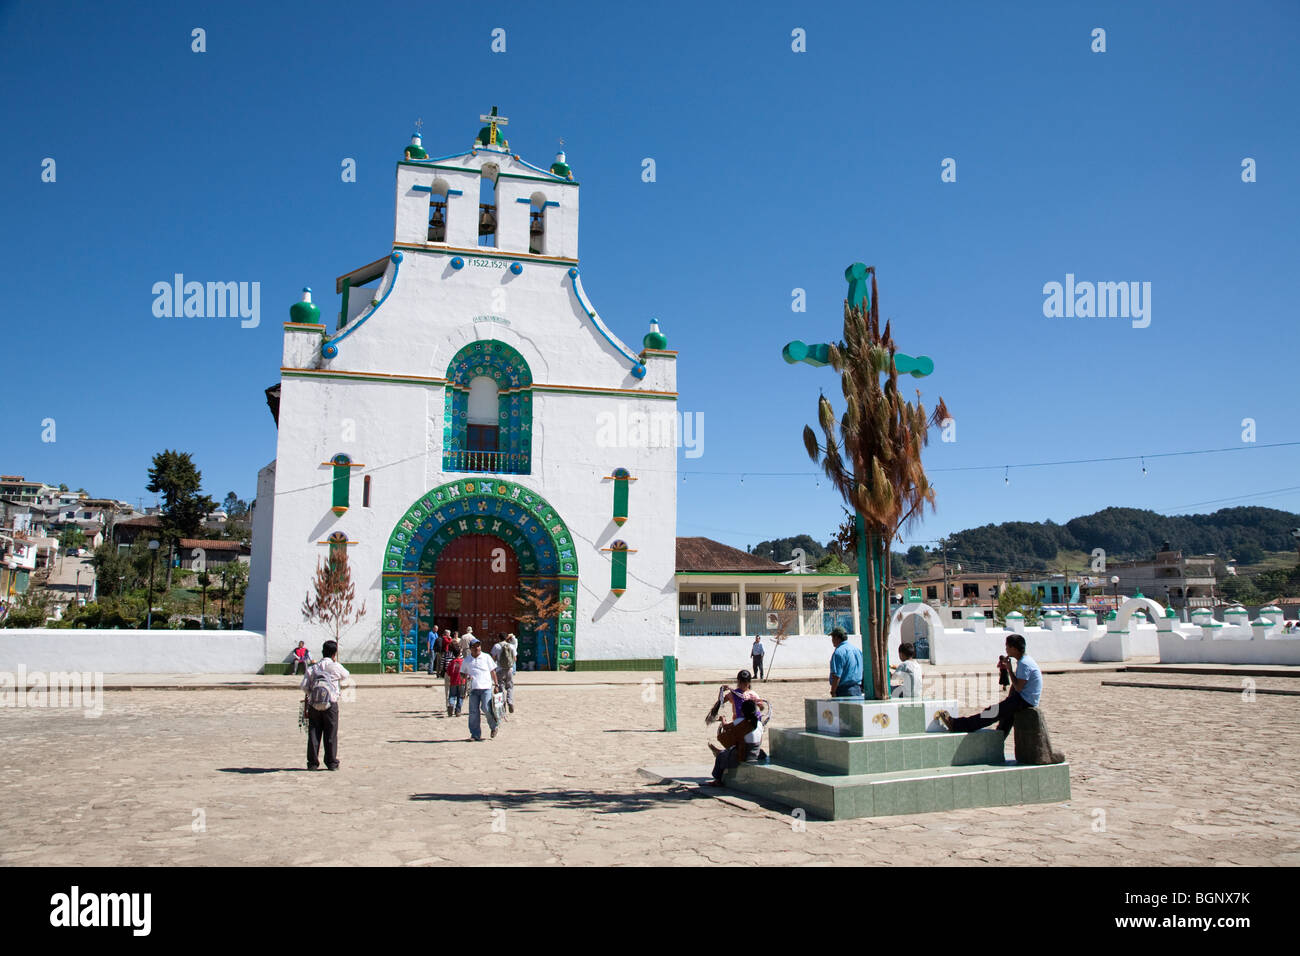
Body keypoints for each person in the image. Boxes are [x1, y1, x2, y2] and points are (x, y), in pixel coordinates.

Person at [935, 634, 1041, 735]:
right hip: (1024, 698)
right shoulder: (1024, 660)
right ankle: (998, 743)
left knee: (991, 712)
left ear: (1014, 648)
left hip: (1024, 701)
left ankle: (957, 725)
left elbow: (1018, 687)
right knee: (1005, 719)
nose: (1006, 649)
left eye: (1007, 646)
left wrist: (1009, 670)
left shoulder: (1024, 663)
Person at [301, 640, 351, 771]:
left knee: (313, 732)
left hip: (314, 705)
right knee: (331, 733)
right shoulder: (335, 666)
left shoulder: (313, 668)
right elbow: (346, 675)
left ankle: (312, 763)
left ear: (323, 652)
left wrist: (312, 696)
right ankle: (331, 762)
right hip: (331, 704)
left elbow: (304, 686)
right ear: (335, 653)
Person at [708, 698, 767, 786]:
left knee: (720, 757)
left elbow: (726, 727)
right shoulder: (759, 724)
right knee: (738, 742)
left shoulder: (741, 722)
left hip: (744, 755)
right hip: (756, 754)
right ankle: (722, 752)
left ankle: (718, 780)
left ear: (743, 712)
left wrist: (723, 719)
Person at [461, 637, 500, 741]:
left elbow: (493, 671)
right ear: (470, 648)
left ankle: (494, 726)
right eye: (474, 646)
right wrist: (466, 677)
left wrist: (496, 685)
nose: (477, 648)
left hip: (486, 687)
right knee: (473, 712)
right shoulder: (467, 660)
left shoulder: (486, 657)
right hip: (473, 689)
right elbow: (462, 673)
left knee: (486, 708)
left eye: (478, 646)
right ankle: (475, 734)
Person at [828, 627, 863, 697]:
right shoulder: (857, 650)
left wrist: (833, 691)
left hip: (844, 691)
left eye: (832, 638)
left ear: (837, 638)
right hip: (857, 689)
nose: (832, 641)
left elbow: (837, 675)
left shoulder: (838, 652)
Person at [496, 632, 518, 713]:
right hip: (509, 669)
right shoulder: (511, 646)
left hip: (499, 670)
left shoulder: (496, 646)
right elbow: (515, 659)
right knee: (510, 687)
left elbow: (493, 657)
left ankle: (502, 704)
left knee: (500, 687)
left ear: (499, 638)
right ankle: (510, 702)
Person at [444, 639, 466, 717]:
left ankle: (451, 705)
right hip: (462, 682)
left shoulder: (451, 662)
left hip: (453, 682)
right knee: (460, 696)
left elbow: (448, 673)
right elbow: (466, 672)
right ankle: (458, 711)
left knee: (452, 696)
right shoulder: (463, 662)